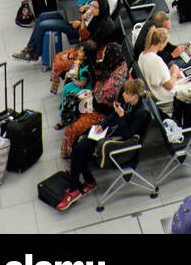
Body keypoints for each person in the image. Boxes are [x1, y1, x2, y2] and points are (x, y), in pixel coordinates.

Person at [56, 77, 150, 212]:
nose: (123, 95)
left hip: (117, 142)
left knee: (79, 151)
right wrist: (102, 124)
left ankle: (74, 189)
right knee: (79, 145)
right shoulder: (127, 101)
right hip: (108, 130)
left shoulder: (142, 113)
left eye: (126, 93)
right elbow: (113, 114)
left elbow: (128, 136)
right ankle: (86, 182)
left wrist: (122, 116)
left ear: (135, 96)